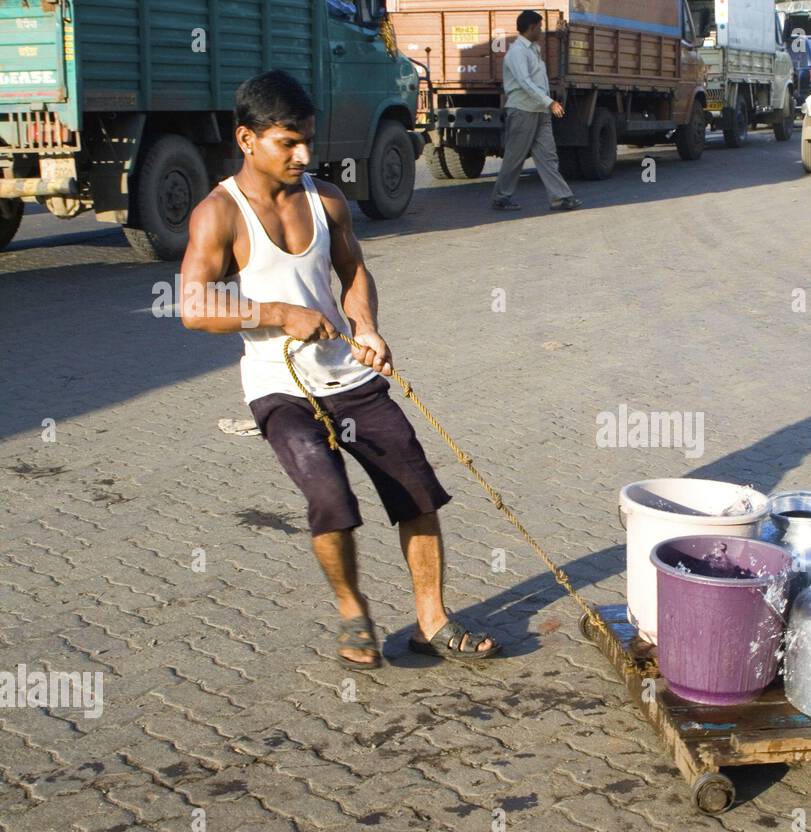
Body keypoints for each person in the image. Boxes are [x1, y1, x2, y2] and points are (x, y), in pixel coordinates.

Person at [180, 71, 502, 669]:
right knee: (329, 497)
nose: (303, 154)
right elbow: (194, 306)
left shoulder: (325, 200)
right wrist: (278, 312)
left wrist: (368, 326)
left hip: (349, 378)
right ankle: (354, 614)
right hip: (281, 388)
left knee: (415, 490)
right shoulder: (218, 213)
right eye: (287, 142)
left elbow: (353, 271)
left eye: (307, 139)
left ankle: (430, 621)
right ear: (247, 140)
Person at [491, 10, 581, 212]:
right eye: (539, 27)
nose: (541, 31)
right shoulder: (517, 53)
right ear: (530, 28)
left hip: (540, 111)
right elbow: (524, 82)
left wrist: (546, 104)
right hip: (523, 110)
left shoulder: (533, 50)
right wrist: (550, 102)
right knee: (515, 157)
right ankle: (501, 197)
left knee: (548, 156)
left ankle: (561, 198)